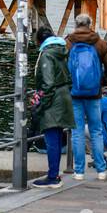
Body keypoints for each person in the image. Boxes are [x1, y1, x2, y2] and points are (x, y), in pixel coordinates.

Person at [65, 12, 107, 181]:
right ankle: (101, 170)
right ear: (90, 24)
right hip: (94, 94)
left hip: (74, 93)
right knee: (96, 131)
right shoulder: (100, 43)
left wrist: (69, 84)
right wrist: (103, 82)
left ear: (75, 25)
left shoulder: (68, 43)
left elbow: (62, 67)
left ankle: (79, 172)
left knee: (77, 132)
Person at [30, 25, 74, 189]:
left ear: (39, 40)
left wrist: (41, 105)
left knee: (51, 139)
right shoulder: (61, 51)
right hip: (63, 96)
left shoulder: (47, 55)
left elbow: (47, 84)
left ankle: (53, 176)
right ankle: (54, 174)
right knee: (55, 136)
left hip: (53, 100)